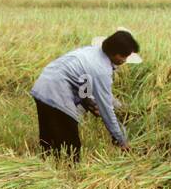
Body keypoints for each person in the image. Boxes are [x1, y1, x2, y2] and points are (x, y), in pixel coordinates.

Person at [30, 29, 141, 160]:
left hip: (42, 86)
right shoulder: (101, 70)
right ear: (113, 53)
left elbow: (83, 80)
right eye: (123, 56)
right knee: (71, 147)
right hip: (57, 93)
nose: (125, 60)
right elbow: (107, 109)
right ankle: (68, 174)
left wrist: (88, 103)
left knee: (49, 138)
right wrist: (121, 140)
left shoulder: (92, 52)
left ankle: (46, 166)